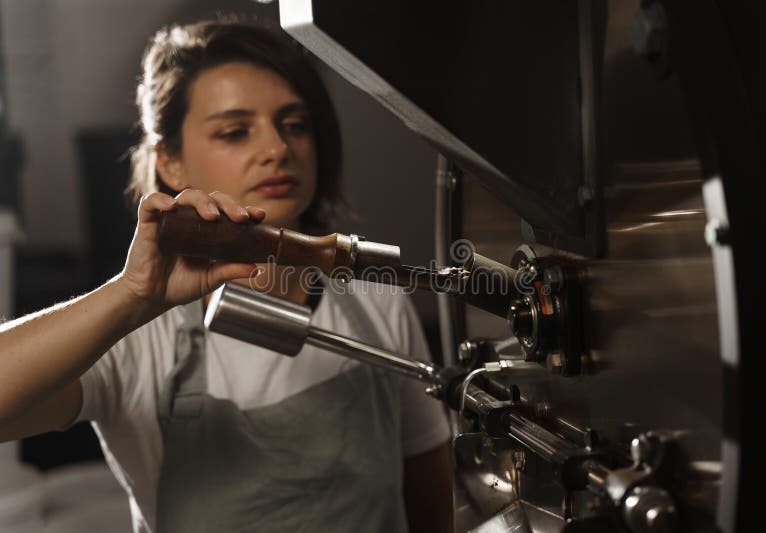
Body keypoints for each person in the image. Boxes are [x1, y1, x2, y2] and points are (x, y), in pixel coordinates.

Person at [0, 20, 453, 533]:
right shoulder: (140, 336)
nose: (278, 148)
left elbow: (430, 499)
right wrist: (129, 296)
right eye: (235, 131)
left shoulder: (375, 298)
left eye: (295, 124)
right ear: (169, 161)